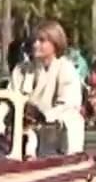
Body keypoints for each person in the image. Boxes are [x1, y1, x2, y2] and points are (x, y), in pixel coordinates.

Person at [12, 20, 86, 156]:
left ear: (55, 43)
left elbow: (69, 105)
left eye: (42, 40)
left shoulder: (66, 68)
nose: (35, 44)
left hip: (57, 140)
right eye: (34, 40)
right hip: (22, 135)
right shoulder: (21, 70)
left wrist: (43, 116)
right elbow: (8, 101)